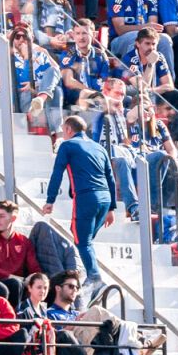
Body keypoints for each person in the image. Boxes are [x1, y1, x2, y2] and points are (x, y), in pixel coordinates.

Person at [43, 115, 115, 289]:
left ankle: (95, 279)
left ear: (68, 130)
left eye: (63, 130)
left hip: (86, 197)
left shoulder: (67, 145)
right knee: (86, 239)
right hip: (104, 198)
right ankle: (91, 274)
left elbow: (57, 173)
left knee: (82, 241)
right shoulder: (99, 147)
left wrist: (50, 200)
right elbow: (110, 177)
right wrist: (111, 208)